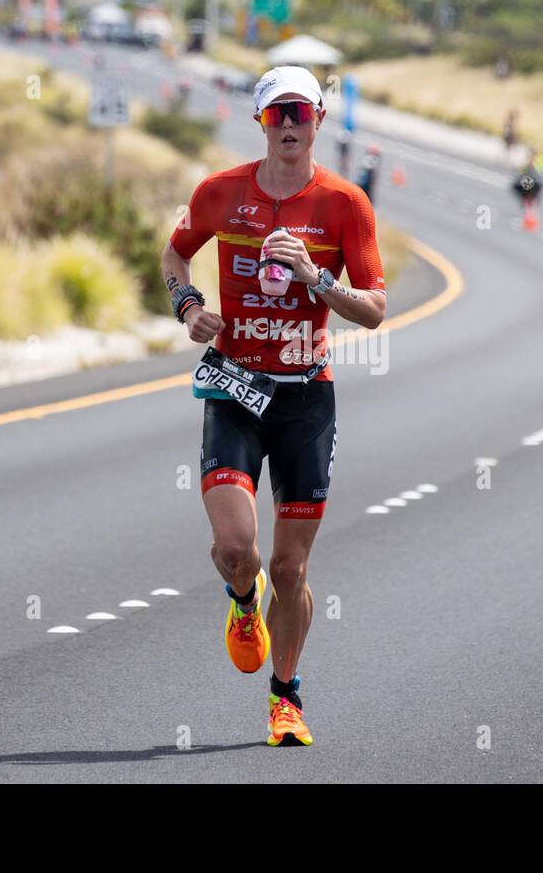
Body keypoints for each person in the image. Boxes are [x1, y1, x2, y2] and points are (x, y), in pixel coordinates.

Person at [160, 65, 387, 747]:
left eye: (303, 112)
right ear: (261, 122)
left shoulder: (345, 204)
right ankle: (238, 597)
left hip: (304, 399)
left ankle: (285, 697)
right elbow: (175, 257)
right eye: (278, 113)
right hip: (234, 386)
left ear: (320, 120)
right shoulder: (221, 193)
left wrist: (317, 278)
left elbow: (374, 310)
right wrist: (188, 305)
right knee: (238, 549)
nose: (291, 124)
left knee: (289, 570)